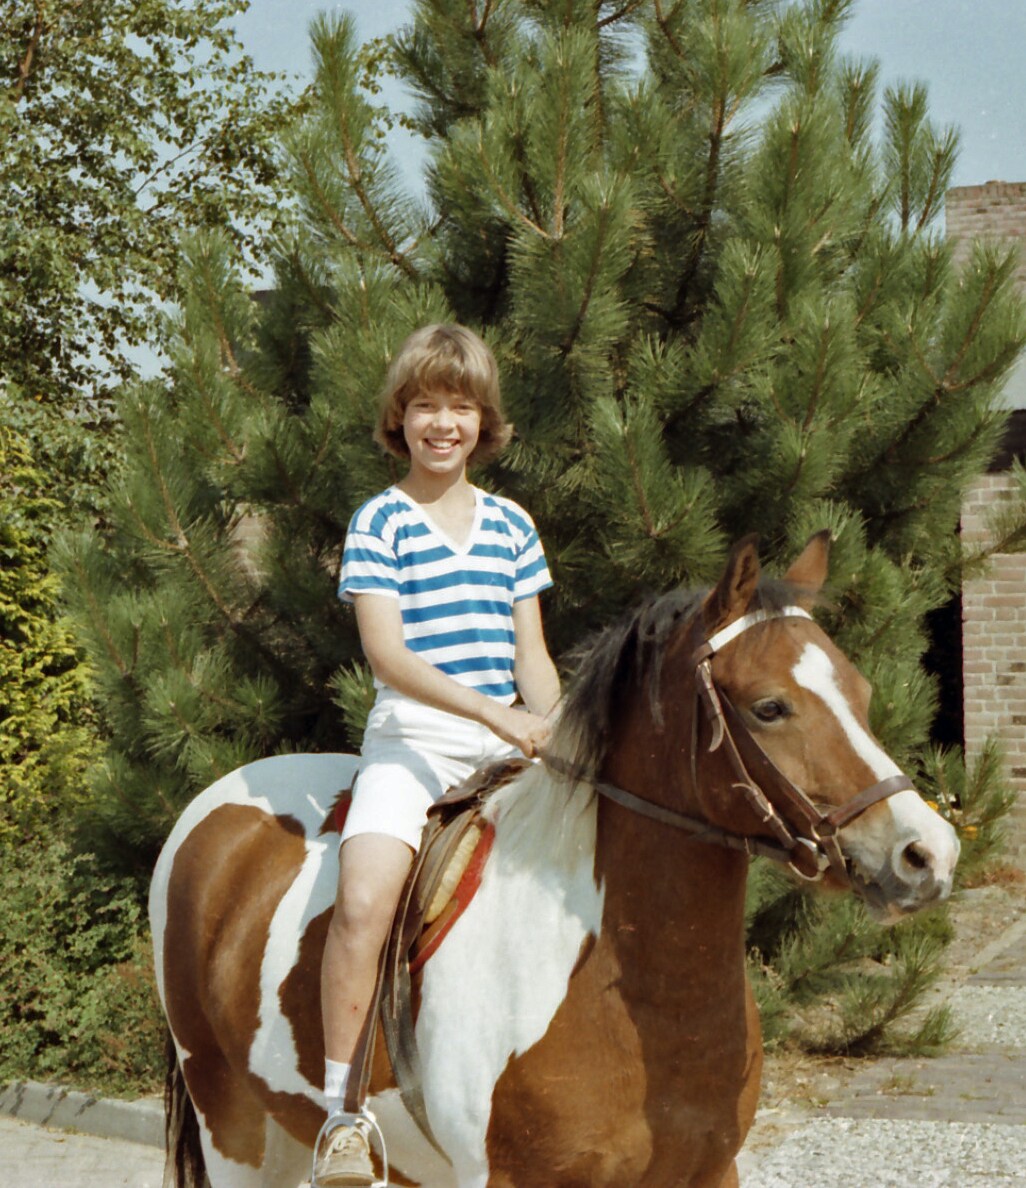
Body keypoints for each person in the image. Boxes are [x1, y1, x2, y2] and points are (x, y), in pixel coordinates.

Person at [314, 324, 561, 1187]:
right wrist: (501, 716)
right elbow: (390, 657)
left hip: (506, 745)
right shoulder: (380, 520)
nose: (443, 423)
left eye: (461, 406)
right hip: (413, 743)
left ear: (484, 422)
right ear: (400, 417)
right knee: (365, 899)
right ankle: (342, 1117)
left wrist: (558, 726)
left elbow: (530, 653)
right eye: (426, 405)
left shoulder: (512, 525)